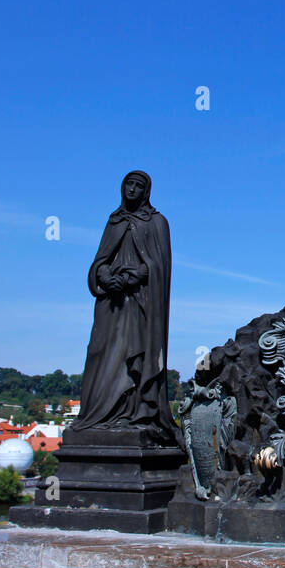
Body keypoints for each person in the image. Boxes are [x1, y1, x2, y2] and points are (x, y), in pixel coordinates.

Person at [73, 171, 180, 442]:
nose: (131, 189)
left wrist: (131, 277)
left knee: (135, 357)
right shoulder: (114, 221)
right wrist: (104, 275)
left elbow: (160, 267)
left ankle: (135, 411)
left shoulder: (157, 223)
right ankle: (97, 415)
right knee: (99, 352)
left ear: (146, 191)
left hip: (141, 304)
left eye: (138, 186)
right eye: (128, 184)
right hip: (111, 302)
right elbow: (100, 259)